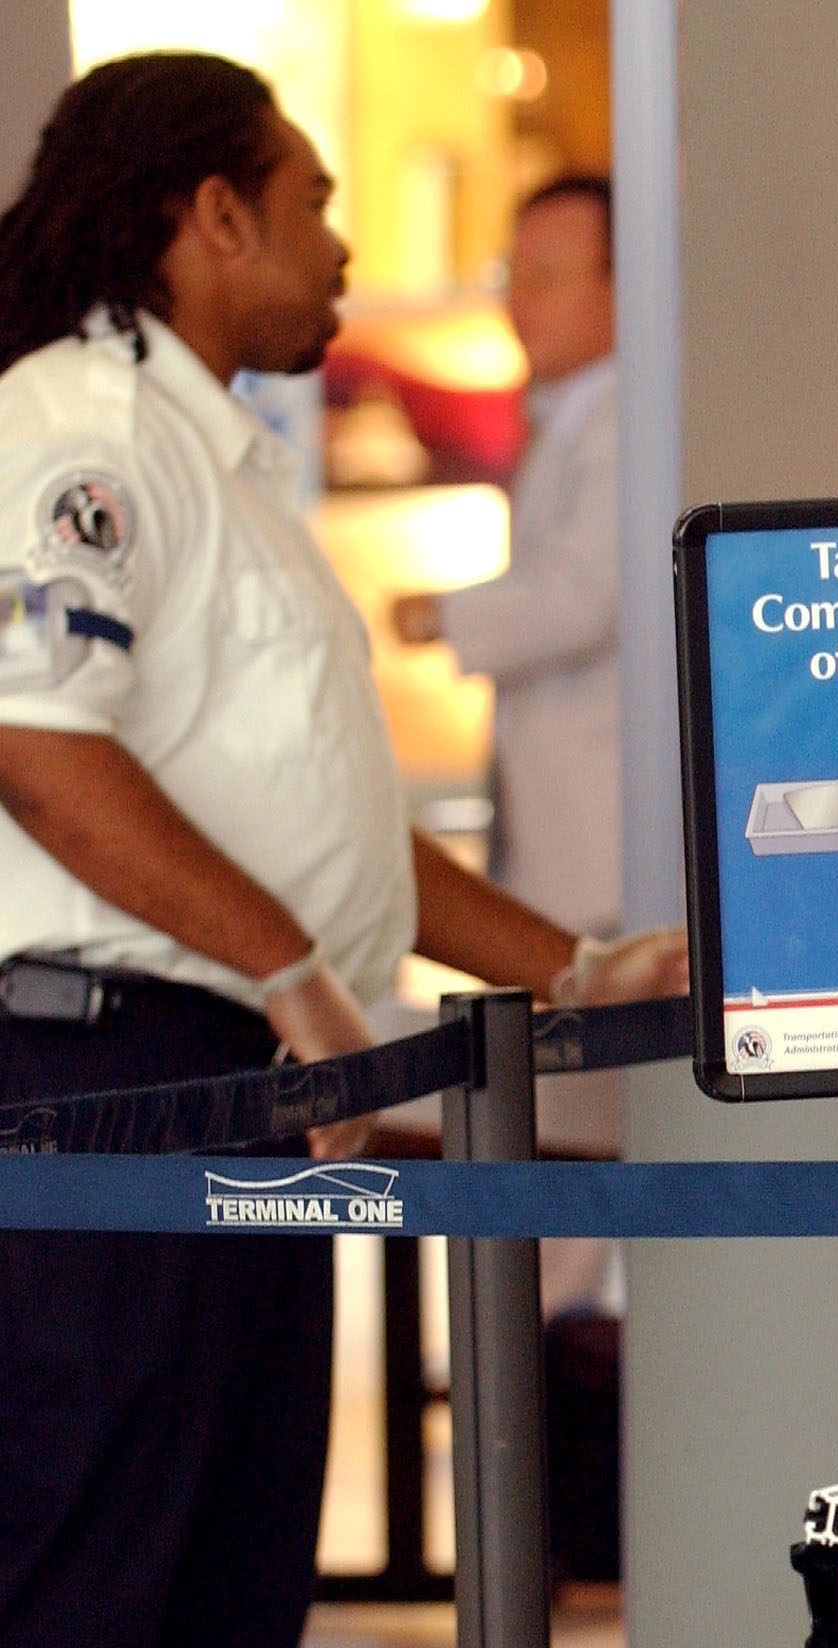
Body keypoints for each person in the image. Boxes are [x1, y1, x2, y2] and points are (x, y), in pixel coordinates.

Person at [0, 54, 682, 1648]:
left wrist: (571, 970)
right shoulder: (78, 432)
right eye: (312, 203)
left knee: (230, 1585)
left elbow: (321, 821)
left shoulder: (226, 463)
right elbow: (38, 748)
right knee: (99, 1579)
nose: (344, 243)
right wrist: (296, 985)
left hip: (242, 1079)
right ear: (212, 216)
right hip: (121, 1082)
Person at [391, 175, 622, 939]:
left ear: (622, 285)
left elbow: (583, 598)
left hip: (605, 830)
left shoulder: (625, 417)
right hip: (561, 821)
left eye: (547, 278)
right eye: (512, 277)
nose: (520, 302)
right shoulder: (566, 411)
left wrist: (439, 615)